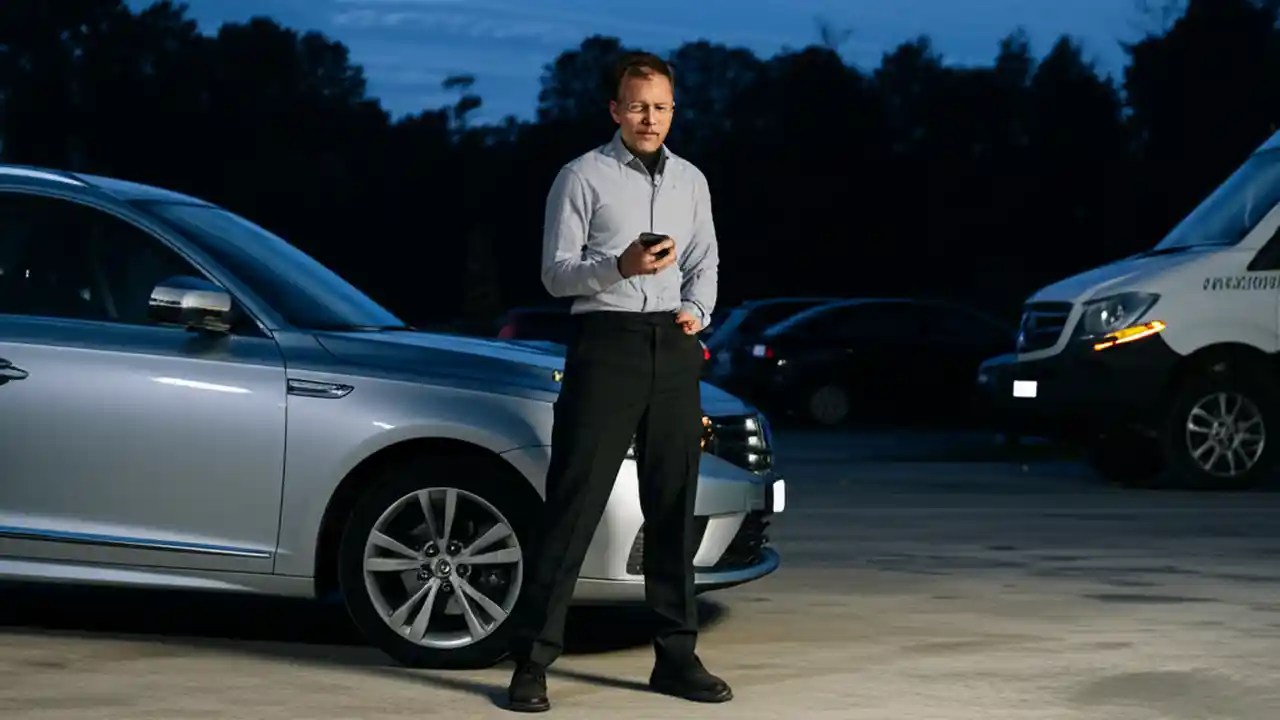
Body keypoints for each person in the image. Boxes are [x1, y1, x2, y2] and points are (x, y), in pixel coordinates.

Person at [505, 51, 729, 713]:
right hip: (606, 346)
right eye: (637, 106)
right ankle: (533, 661)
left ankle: (676, 658)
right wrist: (619, 265)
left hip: (673, 347)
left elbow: (705, 260)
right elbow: (556, 273)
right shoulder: (581, 177)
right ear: (615, 109)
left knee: (671, 506)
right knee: (574, 504)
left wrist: (696, 312)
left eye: (660, 106)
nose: (649, 118)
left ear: (673, 110)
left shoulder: (691, 180)